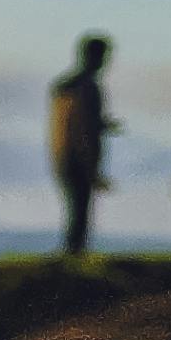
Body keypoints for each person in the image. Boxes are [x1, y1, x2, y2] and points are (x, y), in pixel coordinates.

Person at [45, 35, 118, 257]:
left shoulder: (64, 87)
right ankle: (73, 256)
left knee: (75, 208)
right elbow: (84, 128)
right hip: (78, 156)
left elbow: (74, 124)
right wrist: (92, 166)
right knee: (79, 210)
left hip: (61, 155)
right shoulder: (89, 88)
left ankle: (71, 255)